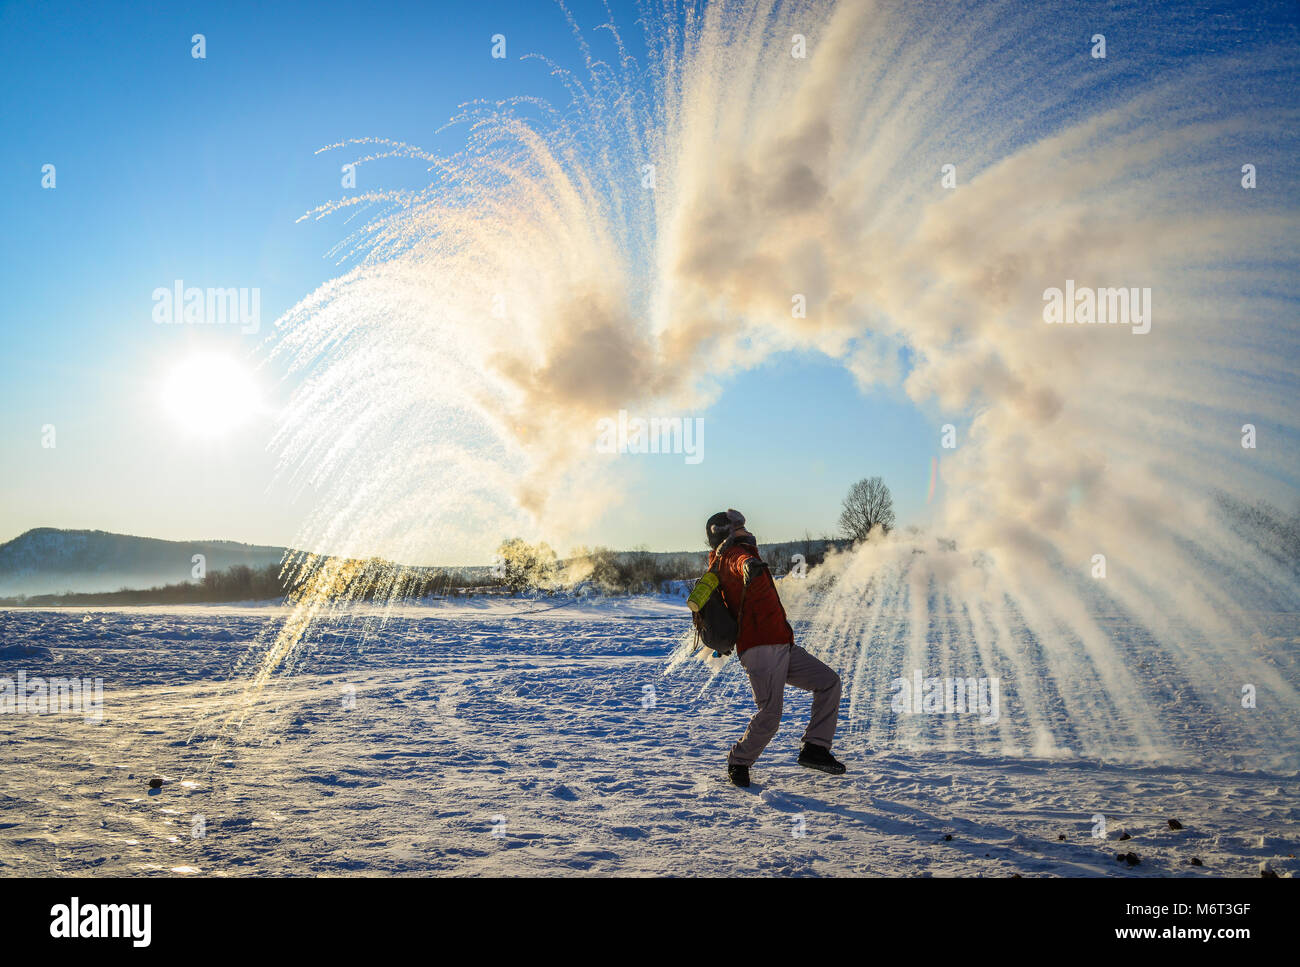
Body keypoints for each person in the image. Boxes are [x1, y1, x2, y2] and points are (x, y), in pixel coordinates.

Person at [704, 509, 846, 787]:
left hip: (781, 643)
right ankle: (739, 761)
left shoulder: (738, 551)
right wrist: (748, 567)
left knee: (829, 682)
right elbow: (739, 563)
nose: (744, 527)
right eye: (738, 524)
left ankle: (815, 748)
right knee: (770, 712)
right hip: (760, 646)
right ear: (727, 531)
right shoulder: (732, 554)